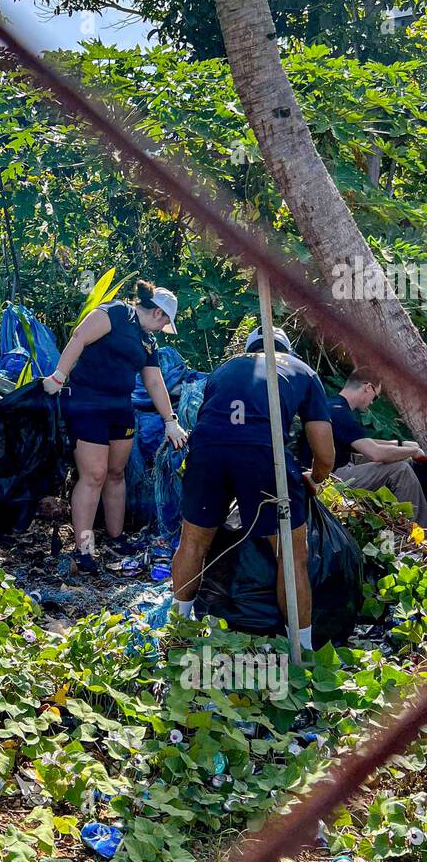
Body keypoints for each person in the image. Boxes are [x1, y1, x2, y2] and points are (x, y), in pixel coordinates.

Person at [171, 326, 336, 652]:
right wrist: (314, 479)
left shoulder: (225, 368)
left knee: (192, 542)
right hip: (263, 454)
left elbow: (214, 421)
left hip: (206, 452)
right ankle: (300, 649)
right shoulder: (302, 371)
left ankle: (178, 630)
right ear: (287, 350)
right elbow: (326, 454)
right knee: (290, 555)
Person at [43, 279, 187, 575]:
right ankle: (84, 548)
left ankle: (116, 536)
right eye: (164, 323)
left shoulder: (149, 341)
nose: (162, 329)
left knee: (116, 473)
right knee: (93, 475)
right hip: (88, 402)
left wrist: (170, 421)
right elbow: (79, 336)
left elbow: (154, 381)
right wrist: (59, 375)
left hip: (120, 406)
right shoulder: (117, 313)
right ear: (159, 314)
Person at [311, 367, 427, 524]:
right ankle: (418, 534)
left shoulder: (334, 405)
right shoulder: (340, 412)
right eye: (375, 397)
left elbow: (363, 442)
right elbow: (375, 453)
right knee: (400, 470)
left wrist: (401, 444)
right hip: (330, 477)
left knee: (403, 461)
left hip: (339, 465)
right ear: (368, 388)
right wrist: (413, 450)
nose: (372, 402)